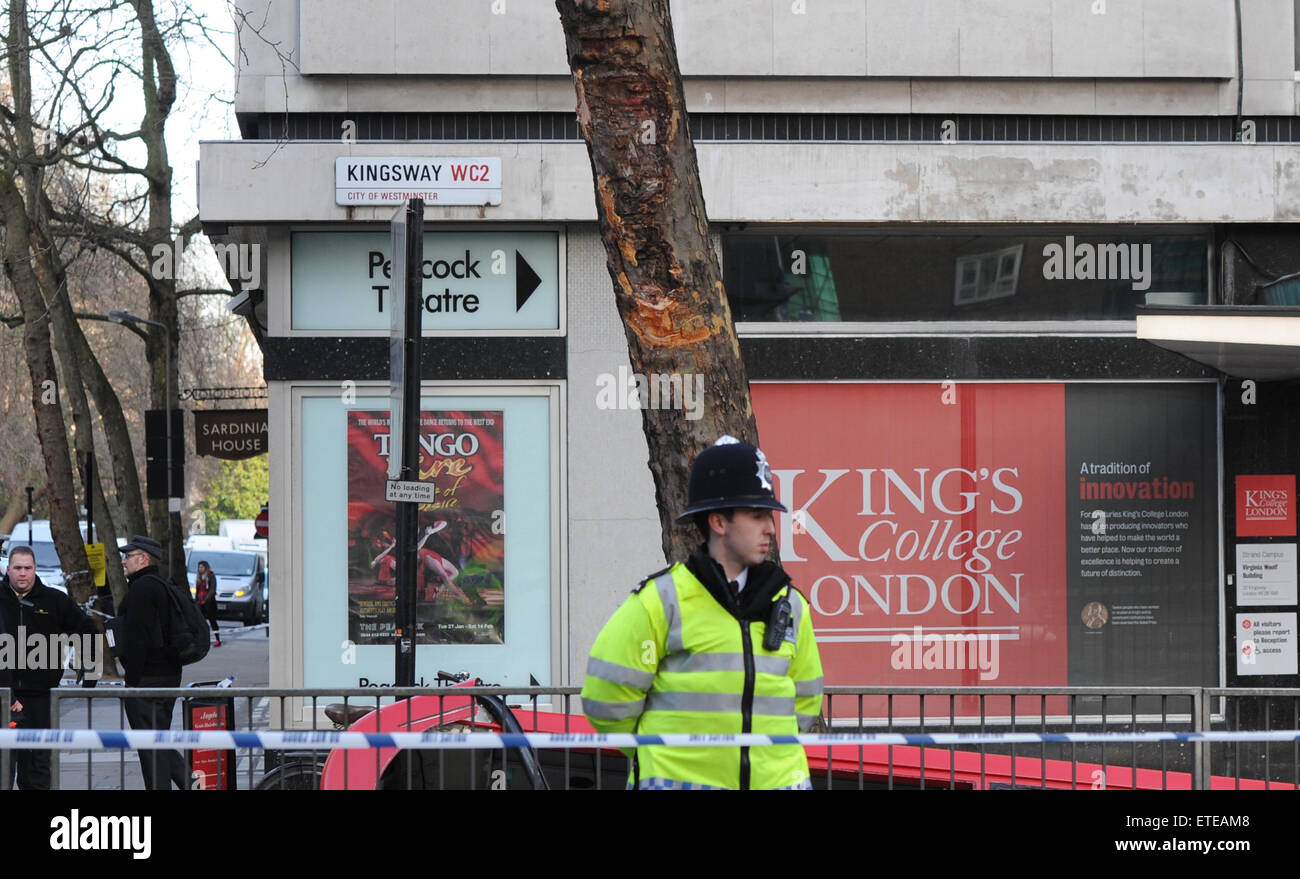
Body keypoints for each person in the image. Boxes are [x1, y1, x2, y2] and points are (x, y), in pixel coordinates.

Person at [582, 436, 824, 790]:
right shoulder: (660, 601)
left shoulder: (792, 605)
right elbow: (606, 699)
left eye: (769, 516)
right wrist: (660, 757)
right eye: (757, 515)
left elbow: (805, 702)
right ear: (718, 522)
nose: (770, 528)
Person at [0, 544, 99, 790]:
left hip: (41, 699)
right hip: (2, 696)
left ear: (35, 569)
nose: (22, 573)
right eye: (17, 568)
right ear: (8, 569)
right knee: (2, 768)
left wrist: (90, 674)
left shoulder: (54, 600)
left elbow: (87, 628)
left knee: (38, 768)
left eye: (27, 568)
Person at [118, 535, 188, 790]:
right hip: (167, 676)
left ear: (143, 558)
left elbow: (138, 639)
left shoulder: (142, 589)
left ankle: (193, 782)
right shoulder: (163, 585)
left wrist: (131, 682)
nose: (124, 561)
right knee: (157, 743)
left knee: (153, 747)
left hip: (147, 681)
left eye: (128, 556)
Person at [194, 560, 221, 647]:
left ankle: (217, 639)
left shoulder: (211, 576)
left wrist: (206, 599)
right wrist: (196, 600)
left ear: (206, 567)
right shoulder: (199, 577)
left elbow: (212, 589)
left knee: (212, 620)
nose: (200, 569)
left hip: (209, 602)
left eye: (202, 567)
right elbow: (197, 590)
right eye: (199, 567)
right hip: (200, 601)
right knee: (200, 621)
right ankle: (201, 640)